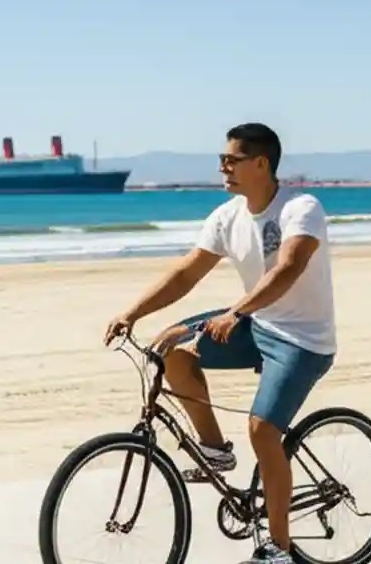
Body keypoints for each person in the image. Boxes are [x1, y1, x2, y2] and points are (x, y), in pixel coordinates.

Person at [104, 122, 336, 564]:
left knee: (263, 429)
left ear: (261, 164)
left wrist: (235, 313)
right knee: (170, 348)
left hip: (304, 340)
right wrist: (132, 313)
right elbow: (187, 273)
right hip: (257, 324)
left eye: (233, 159)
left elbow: (286, 270)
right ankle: (215, 450)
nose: (223, 167)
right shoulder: (228, 215)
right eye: (223, 159)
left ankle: (279, 549)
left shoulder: (301, 209)